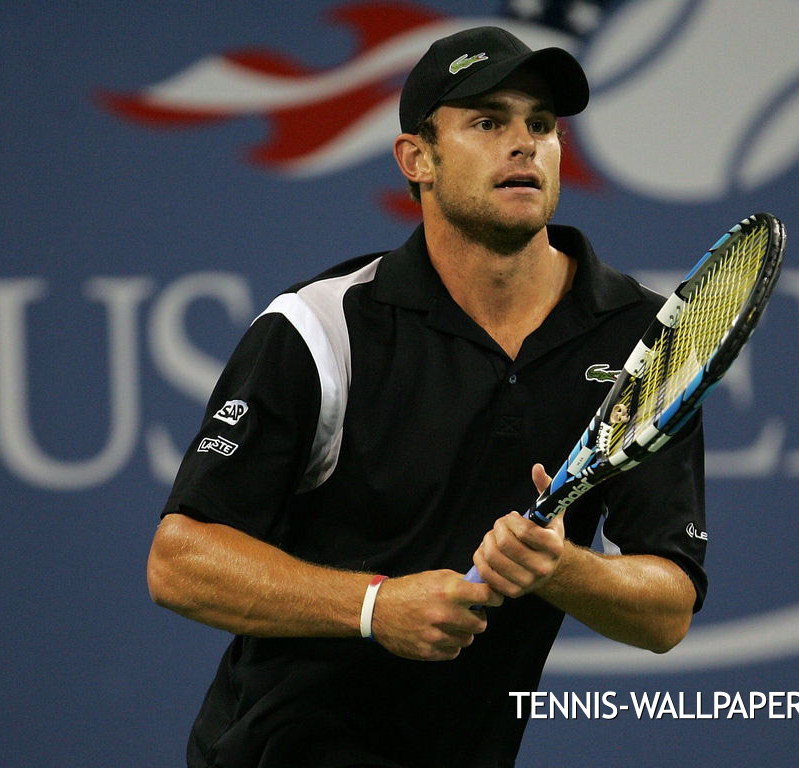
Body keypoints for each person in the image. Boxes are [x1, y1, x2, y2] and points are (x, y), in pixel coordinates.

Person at [148, 26, 707, 768]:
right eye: (487, 122)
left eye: (541, 125)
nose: (525, 144)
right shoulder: (322, 326)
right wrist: (376, 608)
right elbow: (180, 560)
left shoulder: (641, 340)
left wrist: (561, 568)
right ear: (418, 160)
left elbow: (667, 610)